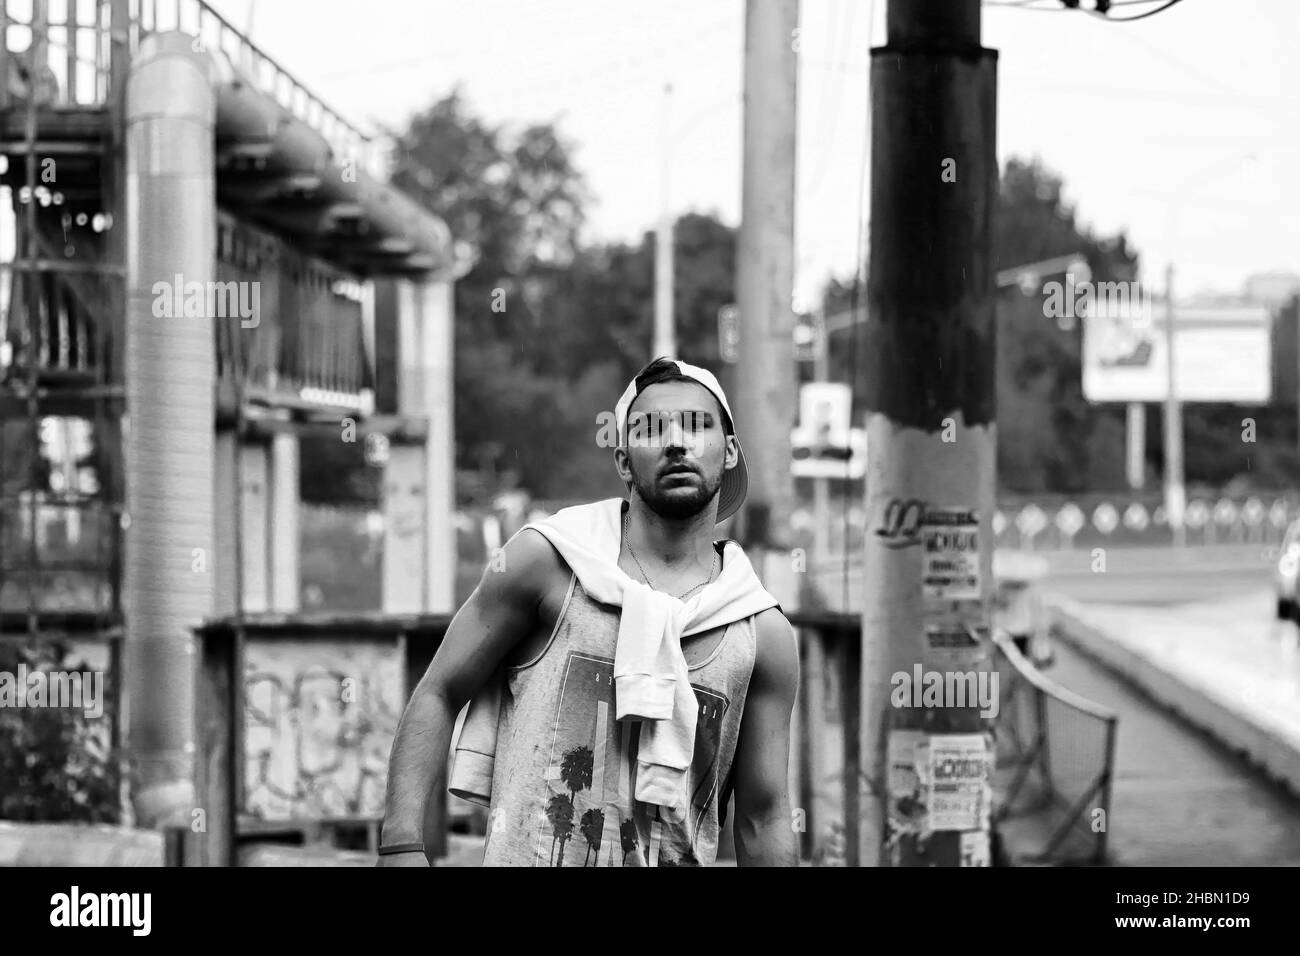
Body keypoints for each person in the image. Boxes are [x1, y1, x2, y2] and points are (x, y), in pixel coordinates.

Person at [378, 358, 800, 867]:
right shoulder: (550, 562)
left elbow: (764, 815)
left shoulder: (759, 629)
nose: (675, 442)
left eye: (697, 425)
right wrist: (401, 847)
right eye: (651, 430)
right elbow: (439, 692)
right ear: (623, 461)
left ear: (729, 451)